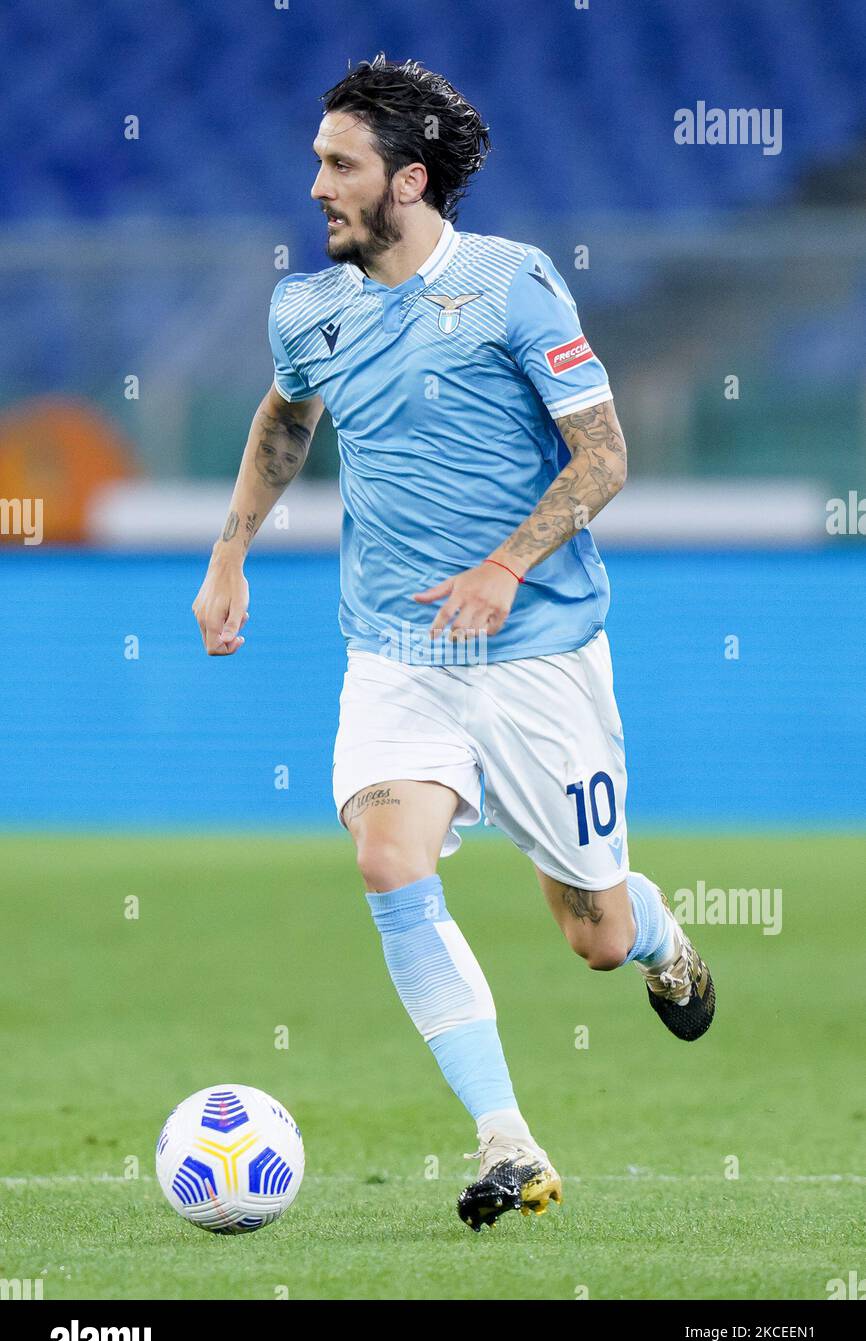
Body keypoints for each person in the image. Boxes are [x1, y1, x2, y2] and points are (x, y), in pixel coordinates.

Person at [192, 55, 715, 1233]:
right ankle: (505, 1138)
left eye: (340, 166)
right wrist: (228, 555)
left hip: (535, 651)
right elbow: (286, 417)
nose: (315, 185)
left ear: (409, 181)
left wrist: (502, 565)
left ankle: (663, 938)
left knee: (591, 931)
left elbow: (604, 457)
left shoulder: (514, 285)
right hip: (393, 650)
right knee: (387, 858)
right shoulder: (305, 306)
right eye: (316, 160)